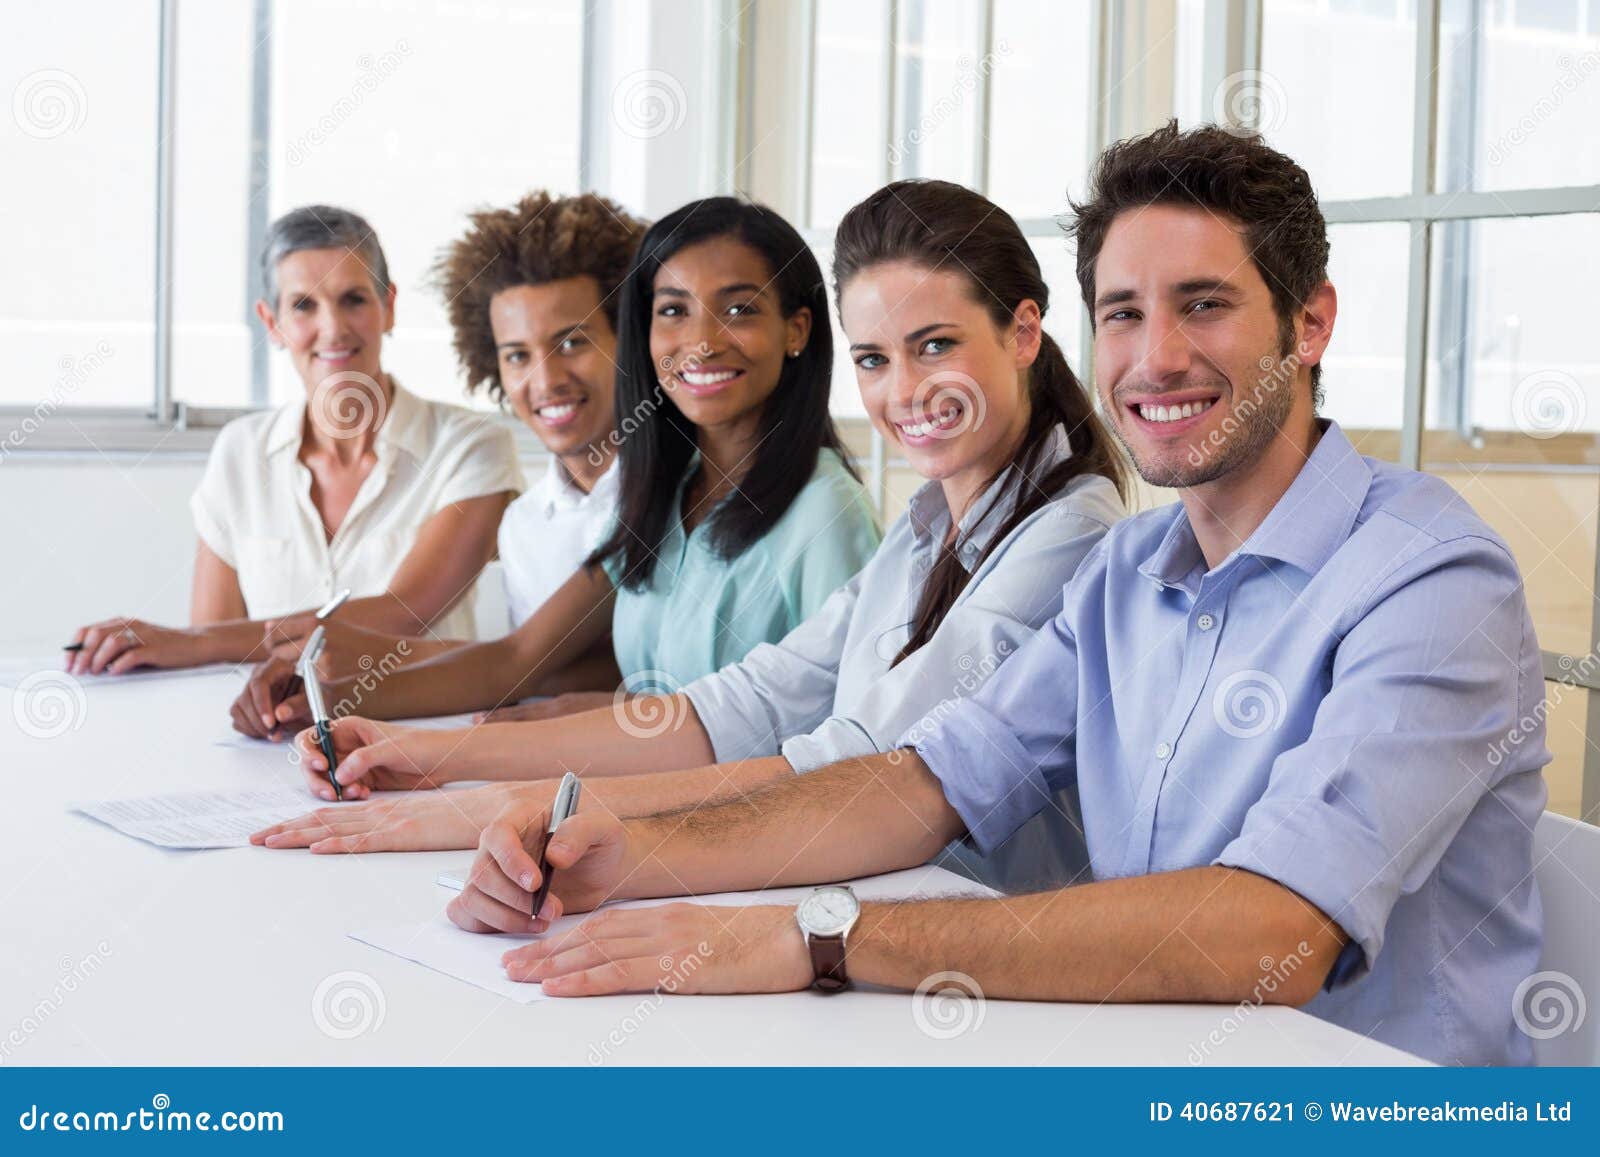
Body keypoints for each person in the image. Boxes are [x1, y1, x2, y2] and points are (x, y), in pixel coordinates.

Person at [442, 124, 1549, 1068]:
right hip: (1134, 1062)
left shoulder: (1430, 576)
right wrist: (621, 854)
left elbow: (1272, 926)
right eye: (1121, 313)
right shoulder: (1129, 569)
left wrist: (816, 934)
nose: (1154, 357)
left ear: (1307, 325)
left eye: (1202, 304)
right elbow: (926, 781)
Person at [256, 181, 1128, 895]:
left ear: (1023, 331)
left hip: (959, 938)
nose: (901, 391)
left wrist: (511, 803)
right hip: (843, 891)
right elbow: (740, 705)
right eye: (873, 359)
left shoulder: (1070, 535)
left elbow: (856, 766)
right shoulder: (926, 524)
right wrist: (438, 755)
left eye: (935, 344)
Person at [234, 196, 881, 730]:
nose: (703, 340)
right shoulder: (669, 491)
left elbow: (840, 742)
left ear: (797, 329)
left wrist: (591, 720)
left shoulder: (826, 508)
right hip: (637, 810)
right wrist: (320, 701)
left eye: (739, 308)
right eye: (674, 311)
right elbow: (515, 659)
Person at [228, 192, 647, 737]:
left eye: (572, 342)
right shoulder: (526, 526)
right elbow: (535, 665)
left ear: (633, 339)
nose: (545, 381)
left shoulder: (669, 493)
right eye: (518, 355)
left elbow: (518, 662)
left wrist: (343, 690)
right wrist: (349, 671)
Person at [68, 205, 521, 679]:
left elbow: (405, 614)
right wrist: (184, 647)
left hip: (424, 736)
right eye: (304, 305)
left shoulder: (471, 447)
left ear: (388, 306)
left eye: (354, 300)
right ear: (273, 323)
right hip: (268, 738)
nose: (334, 329)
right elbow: (213, 655)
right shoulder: (240, 452)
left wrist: (187, 642)